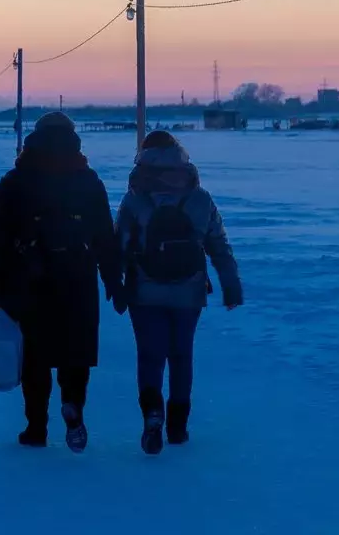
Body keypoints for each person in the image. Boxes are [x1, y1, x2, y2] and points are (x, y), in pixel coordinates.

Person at [0, 112, 123, 452]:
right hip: (78, 277)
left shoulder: (15, 181)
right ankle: (73, 406)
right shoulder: (88, 180)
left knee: (35, 356)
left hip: (28, 280)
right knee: (76, 351)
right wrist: (113, 281)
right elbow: (105, 235)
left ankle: (36, 427)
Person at [115, 129, 242, 455]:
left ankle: (152, 415)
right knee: (181, 355)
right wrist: (230, 284)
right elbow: (218, 244)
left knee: (150, 355)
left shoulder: (135, 196)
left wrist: (116, 285)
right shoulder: (200, 197)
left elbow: (119, 246)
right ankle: (178, 426)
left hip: (144, 290)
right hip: (189, 290)